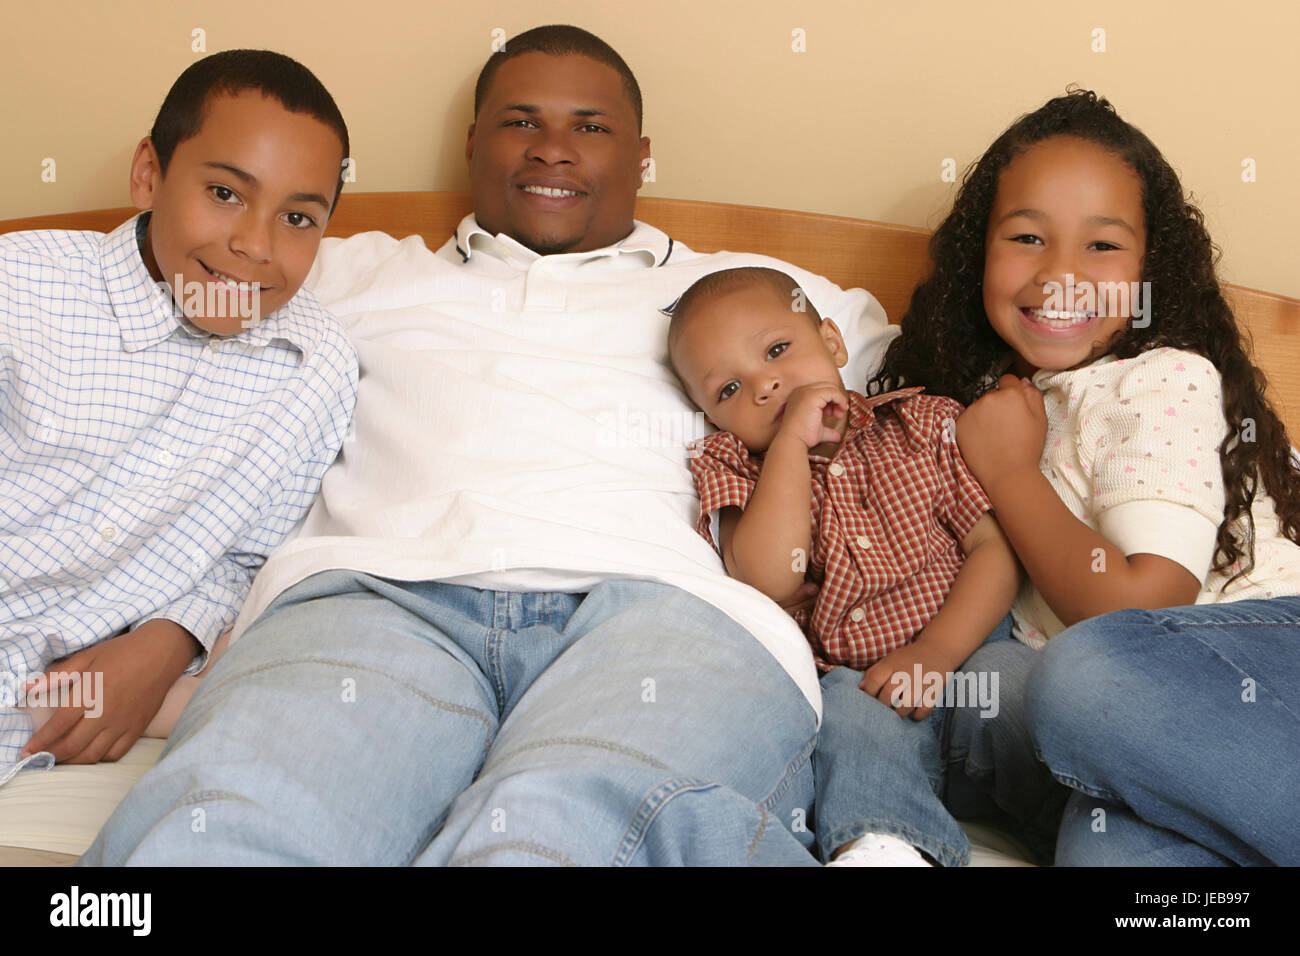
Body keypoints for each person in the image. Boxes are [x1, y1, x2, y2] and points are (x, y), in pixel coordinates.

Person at [81, 25, 903, 866]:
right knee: (235, 815)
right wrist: (161, 628)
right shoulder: (343, 268)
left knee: (560, 831)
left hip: (666, 614)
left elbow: (942, 402)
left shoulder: (753, 291)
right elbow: (148, 312)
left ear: (643, 154)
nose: (554, 151)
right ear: (473, 144)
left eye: (590, 126)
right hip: (378, 600)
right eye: (520, 122)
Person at [869, 88, 1300, 865]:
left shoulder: (1161, 380)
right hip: (1145, 737)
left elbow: (1139, 605)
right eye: (1028, 237)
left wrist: (1006, 469)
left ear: (1150, 269)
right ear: (979, 257)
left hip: (1260, 663)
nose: (1061, 273)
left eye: (1102, 247)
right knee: (1101, 850)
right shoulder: (985, 405)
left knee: (1078, 676)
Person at [0, 50, 358, 787]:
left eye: (297, 218)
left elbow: (242, 557)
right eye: (225, 192)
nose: (255, 246)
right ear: (149, 175)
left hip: (55, 692)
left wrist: (166, 644)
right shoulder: (20, 290)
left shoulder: (313, 364)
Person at [669, 266, 1022, 866]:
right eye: (729, 390)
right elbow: (770, 576)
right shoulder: (735, 469)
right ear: (709, 414)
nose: (764, 386)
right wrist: (788, 448)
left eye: (778, 350)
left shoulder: (922, 423)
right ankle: (887, 846)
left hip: (968, 653)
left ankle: (1105, 805)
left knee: (1026, 687)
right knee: (852, 728)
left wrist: (936, 654)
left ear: (832, 342)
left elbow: (995, 551)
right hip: (860, 684)